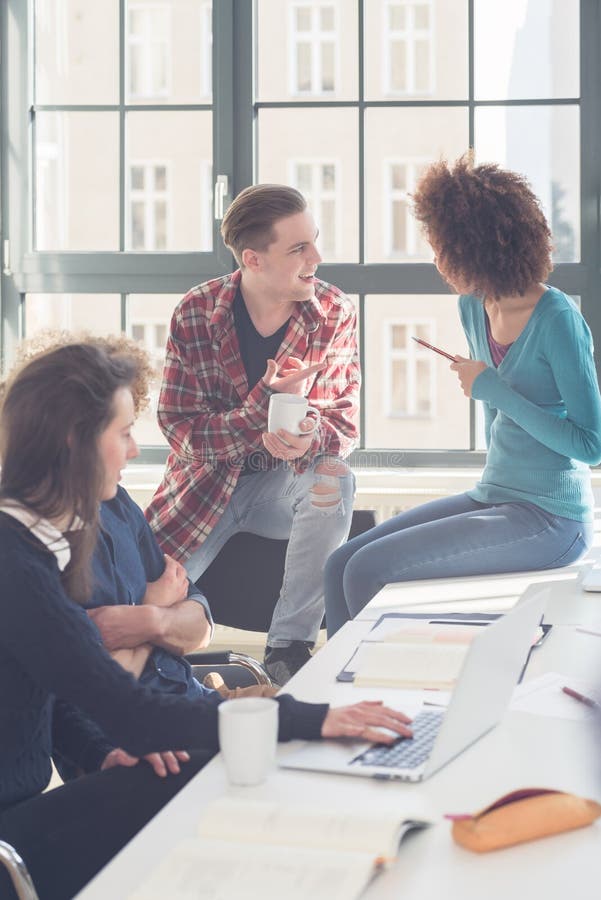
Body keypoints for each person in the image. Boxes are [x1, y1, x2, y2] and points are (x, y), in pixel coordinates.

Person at [0, 342, 410, 900]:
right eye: (122, 433)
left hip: (23, 817)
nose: (132, 451)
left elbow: (59, 691)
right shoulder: (15, 559)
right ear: (73, 441)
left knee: (219, 785)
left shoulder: (43, 537)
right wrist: (311, 719)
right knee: (220, 789)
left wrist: (103, 752)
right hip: (9, 848)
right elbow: (124, 704)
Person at [325, 154, 601, 636]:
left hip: (552, 517)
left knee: (368, 571)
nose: (435, 258)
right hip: (493, 493)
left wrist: (495, 390)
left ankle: (362, 695)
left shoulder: (558, 320)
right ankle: (334, 707)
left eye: (439, 245)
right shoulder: (472, 307)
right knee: (340, 564)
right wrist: (490, 391)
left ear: (473, 247)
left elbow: (591, 445)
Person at [146, 184, 360, 684]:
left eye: (315, 241)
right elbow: (180, 431)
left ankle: (288, 648)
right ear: (253, 260)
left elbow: (343, 423)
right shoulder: (197, 313)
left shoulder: (333, 313)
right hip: (201, 490)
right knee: (135, 597)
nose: (317, 258)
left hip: (284, 489)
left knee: (335, 477)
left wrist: (310, 438)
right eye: (298, 249)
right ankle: (163, 692)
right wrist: (261, 407)